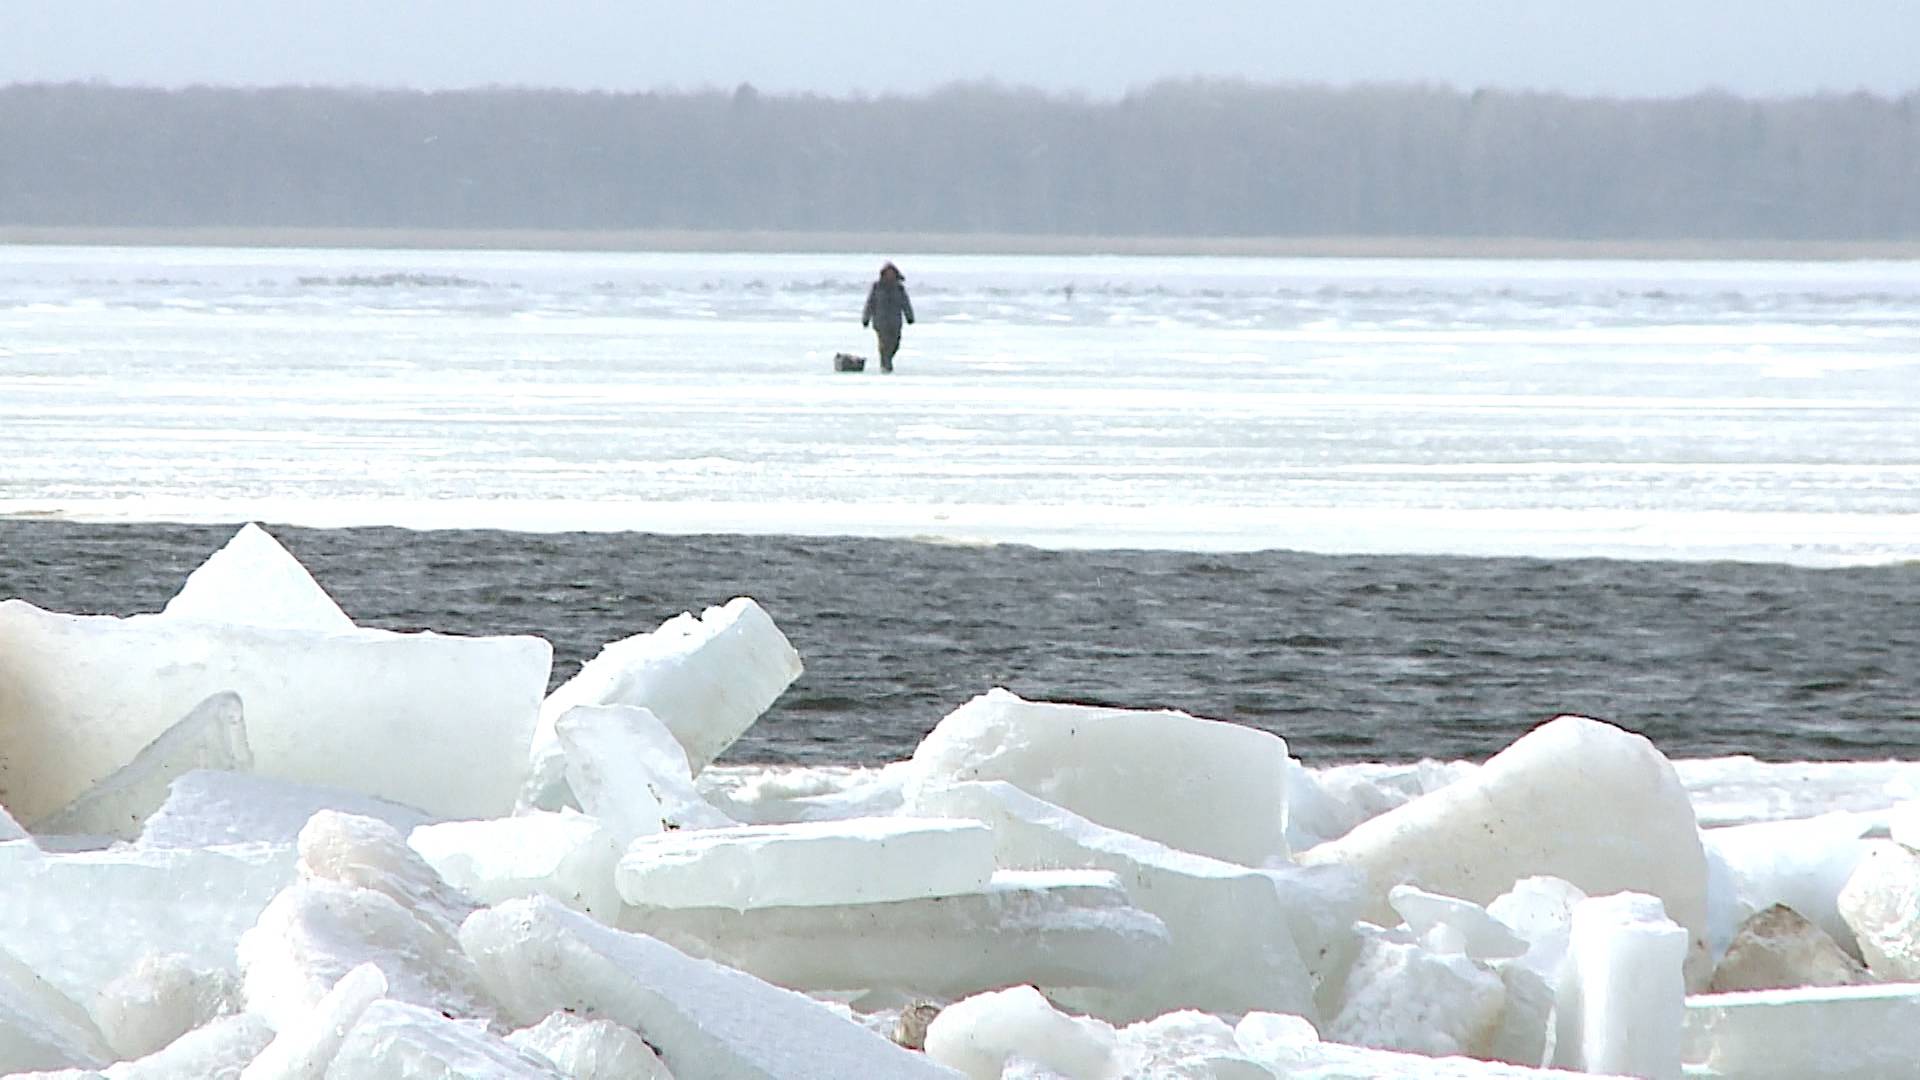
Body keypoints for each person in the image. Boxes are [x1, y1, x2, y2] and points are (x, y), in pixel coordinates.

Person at [860, 262, 915, 373]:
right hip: (881, 321)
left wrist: (910, 316)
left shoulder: (899, 288)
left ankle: (887, 360)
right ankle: (885, 364)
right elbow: (870, 303)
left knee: (895, 344)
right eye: (887, 273)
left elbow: (905, 303)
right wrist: (866, 318)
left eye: (892, 273)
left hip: (895, 322)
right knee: (884, 343)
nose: (890, 275)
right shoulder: (877, 287)